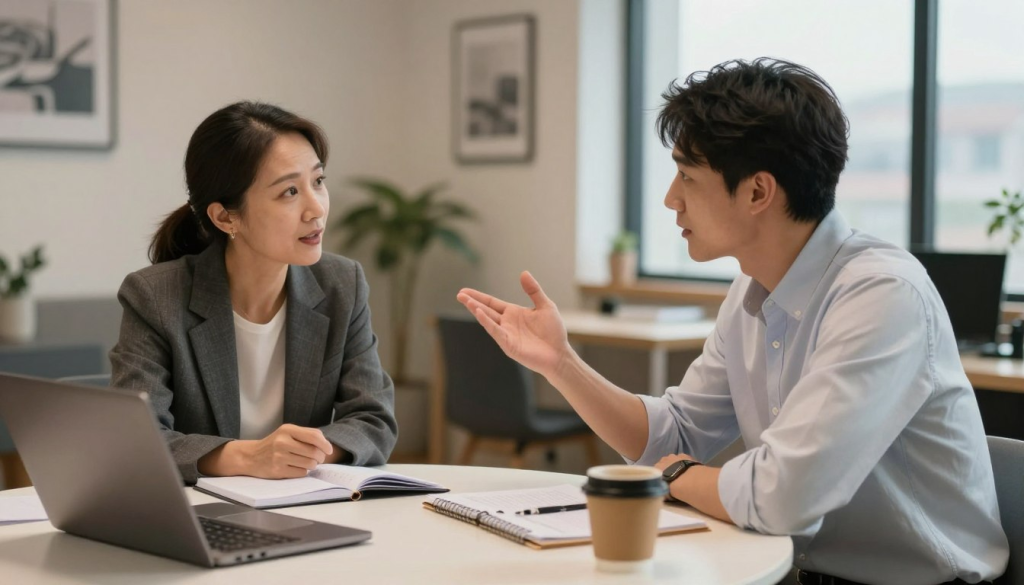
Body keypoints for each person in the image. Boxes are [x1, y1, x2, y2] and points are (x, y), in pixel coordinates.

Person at [457, 58, 1008, 584]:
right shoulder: (753, 286)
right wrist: (560, 364)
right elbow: (669, 437)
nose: (671, 200)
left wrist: (677, 475)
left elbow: (781, 497)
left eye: (687, 178)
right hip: (791, 571)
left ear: (757, 192)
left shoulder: (882, 295)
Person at [111, 101, 397, 485]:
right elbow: (137, 441)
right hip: (196, 515)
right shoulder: (154, 297)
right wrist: (250, 456)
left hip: (306, 509)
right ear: (226, 217)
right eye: (290, 191)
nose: (316, 210)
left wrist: (302, 454)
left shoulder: (342, 284)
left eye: (318, 181)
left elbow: (374, 419)